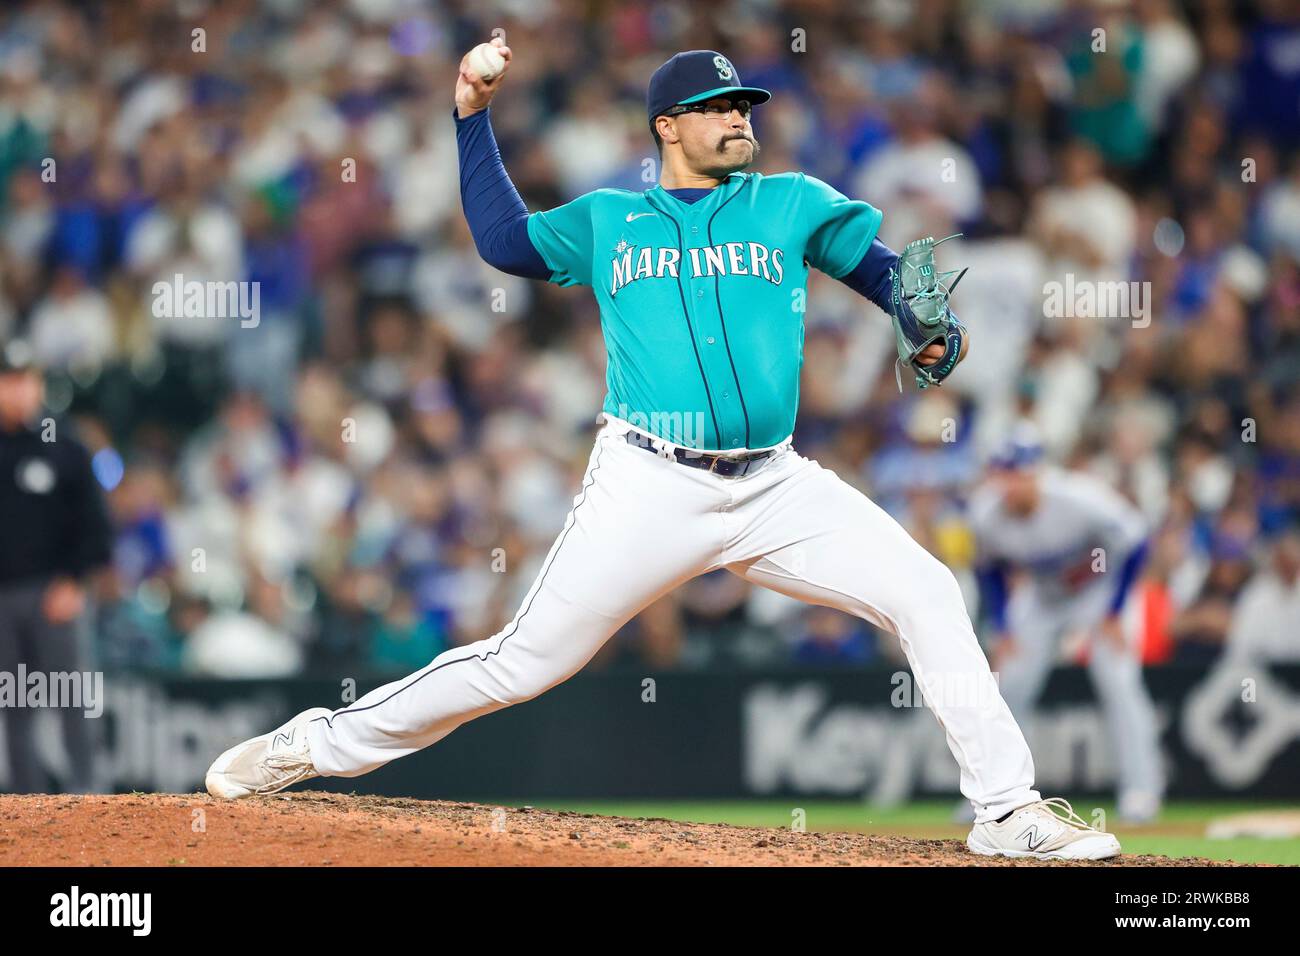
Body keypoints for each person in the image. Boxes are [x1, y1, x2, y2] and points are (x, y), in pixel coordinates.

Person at [206, 41, 1122, 860]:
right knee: (522, 663)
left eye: (745, 107)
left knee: (928, 590)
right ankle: (312, 745)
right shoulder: (611, 219)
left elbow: (882, 270)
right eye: (722, 109)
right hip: (647, 483)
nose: (739, 119)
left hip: (776, 486)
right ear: (669, 127)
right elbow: (501, 242)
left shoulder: (791, 203)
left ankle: (1006, 810)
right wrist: (472, 117)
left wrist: (917, 323)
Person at [970, 428, 1165, 823]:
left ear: (1034, 472)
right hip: (1043, 598)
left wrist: (1114, 610)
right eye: (1001, 473)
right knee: (1009, 687)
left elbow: (1137, 539)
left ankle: (1142, 790)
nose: (1007, 483)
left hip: (1100, 588)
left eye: (1015, 473)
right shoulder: (985, 512)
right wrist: (1004, 627)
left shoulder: (1078, 497)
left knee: (1118, 680)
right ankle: (993, 797)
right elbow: (988, 570)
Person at [0, 340, 112, 792]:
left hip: (56, 595)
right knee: (14, 709)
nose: (17, 391)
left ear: (39, 385)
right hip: (3, 599)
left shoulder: (65, 444)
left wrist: (75, 581)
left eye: (25, 380)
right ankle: (26, 809)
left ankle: (91, 800)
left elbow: (96, 525)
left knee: (74, 702)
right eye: (8, 381)